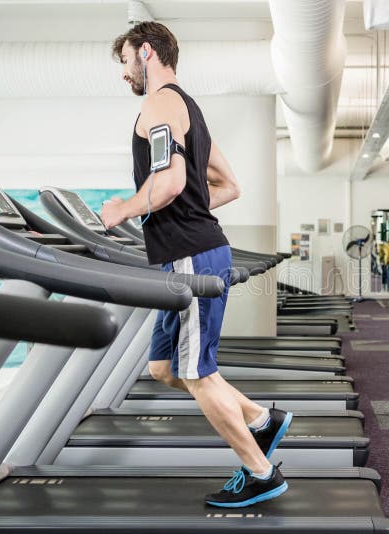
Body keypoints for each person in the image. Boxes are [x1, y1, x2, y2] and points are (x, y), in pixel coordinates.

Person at [100, 21, 292, 508]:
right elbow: (227, 186)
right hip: (192, 249)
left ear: (146, 52)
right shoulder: (190, 111)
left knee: (198, 374)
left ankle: (260, 472)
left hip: (190, 255)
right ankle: (261, 420)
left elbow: (167, 182)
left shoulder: (161, 102)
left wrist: (121, 208)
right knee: (165, 367)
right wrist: (188, 210)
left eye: (125, 61)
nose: (125, 73)